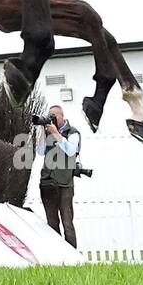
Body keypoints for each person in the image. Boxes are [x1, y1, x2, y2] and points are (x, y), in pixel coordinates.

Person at [35, 104, 82, 247]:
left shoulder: (73, 133)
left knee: (67, 223)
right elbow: (40, 151)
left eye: (54, 116)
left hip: (64, 183)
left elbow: (71, 151)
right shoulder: (48, 132)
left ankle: (72, 255)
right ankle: (57, 254)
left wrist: (56, 133)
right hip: (48, 182)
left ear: (62, 116)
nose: (52, 119)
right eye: (50, 116)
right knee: (52, 223)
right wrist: (43, 132)